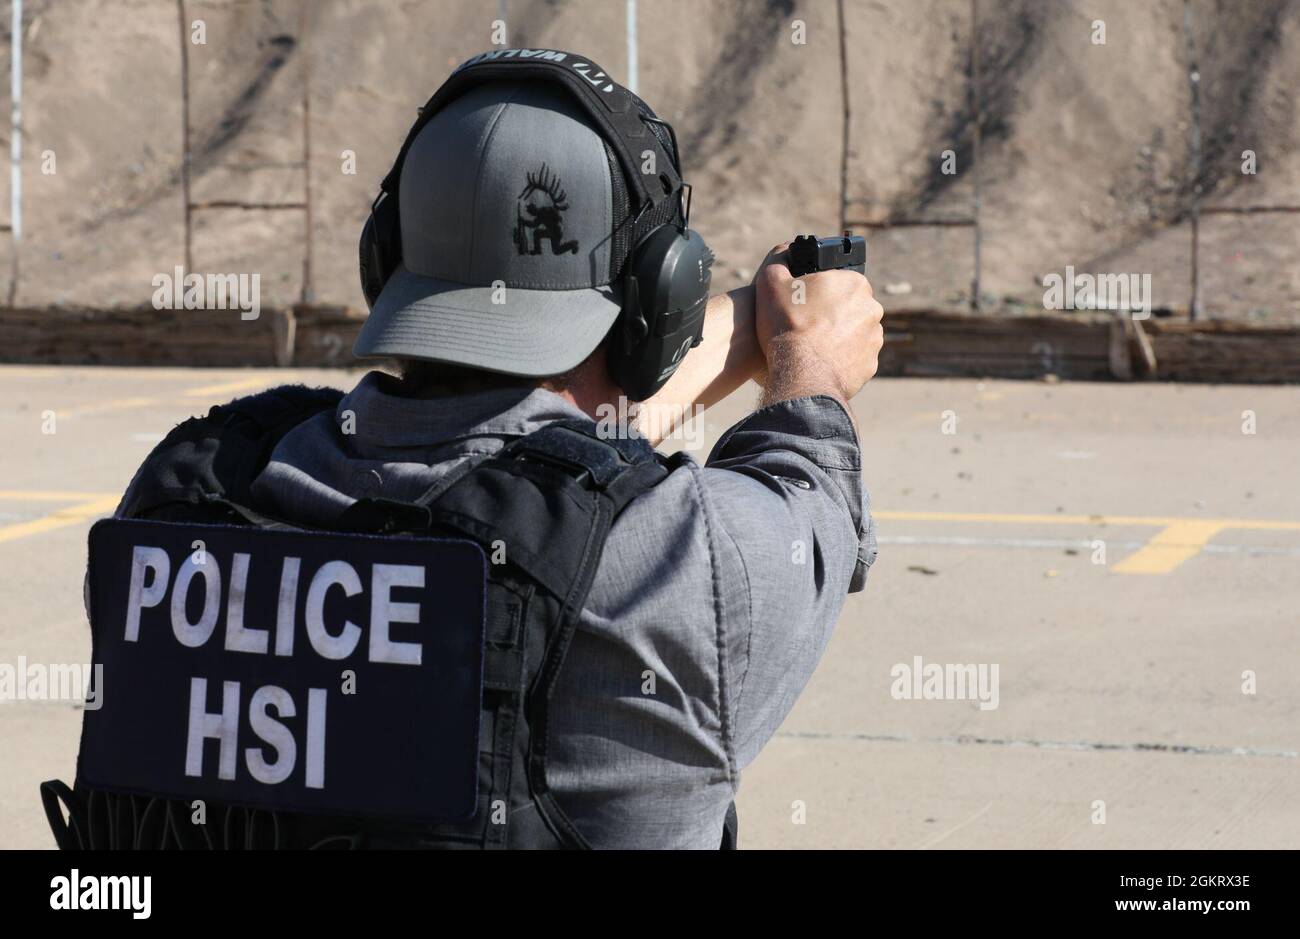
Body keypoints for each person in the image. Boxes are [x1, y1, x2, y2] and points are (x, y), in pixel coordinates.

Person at [44, 50, 883, 851]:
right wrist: (810, 362)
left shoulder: (180, 494)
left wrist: (744, 332)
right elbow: (806, 490)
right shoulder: (686, 566)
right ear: (656, 305)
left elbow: (504, 469)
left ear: (388, 260)